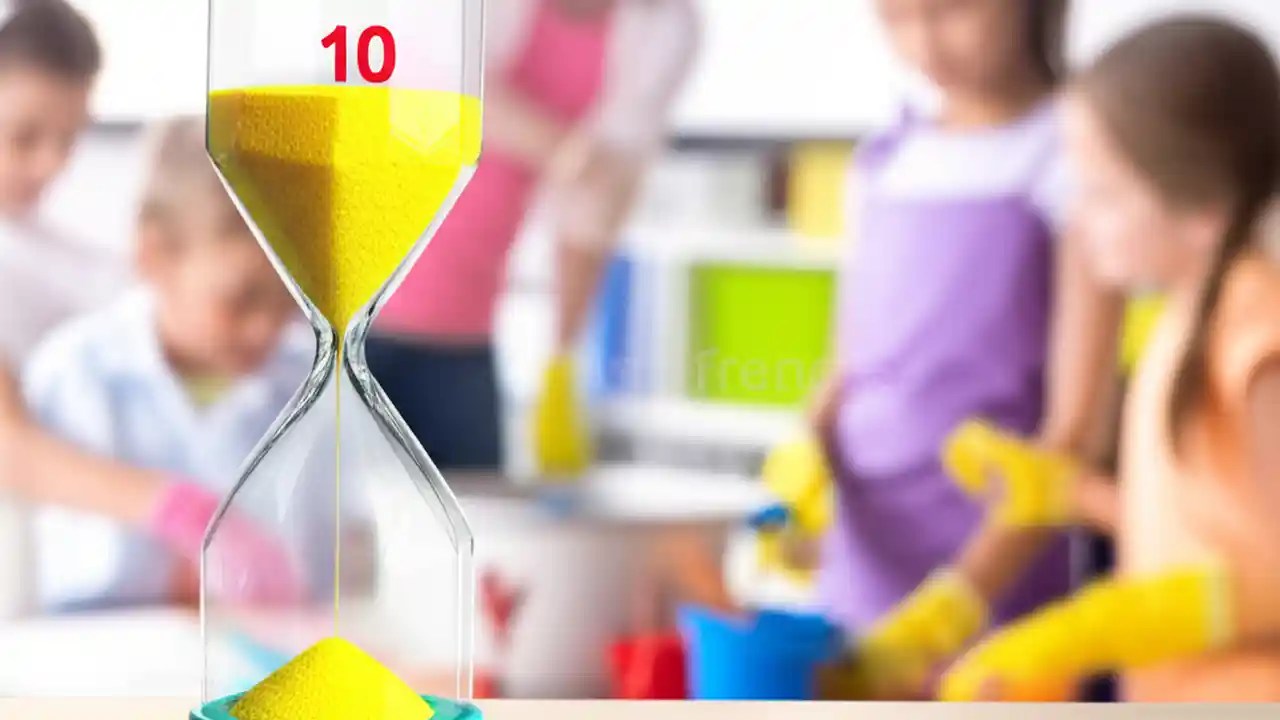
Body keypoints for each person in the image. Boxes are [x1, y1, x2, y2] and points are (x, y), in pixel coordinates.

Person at [761, 0, 1129, 699]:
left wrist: (953, 607)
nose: (925, 41)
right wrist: (801, 459)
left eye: (951, 11)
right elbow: (849, 367)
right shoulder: (883, 161)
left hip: (996, 572)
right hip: (862, 561)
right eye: (896, 17)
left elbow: (1075, 431)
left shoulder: (1070, 152)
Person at [940, 18, 1280, 703]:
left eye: (1102, 193)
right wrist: (1075, 497)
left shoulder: (1256, 338)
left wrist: (1096, 629)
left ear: (1202, 207)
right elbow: (1214, 534)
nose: (1078, 218)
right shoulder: (1184, 317)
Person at [370, 0, 699, 475]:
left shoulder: (663, 30)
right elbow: (446, 91)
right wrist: (564, 151)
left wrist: (560, 360)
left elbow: (592, 210)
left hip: (467, 332)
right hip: (364, 313)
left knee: (473, 526)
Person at [23, 118, 322, 610]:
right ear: (155, 256)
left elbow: (326, 560)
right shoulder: (76, 374)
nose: (265, 327)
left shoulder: (306, 384)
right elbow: (66, 569)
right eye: (242, 299)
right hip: (107, 669)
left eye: (289, 299)